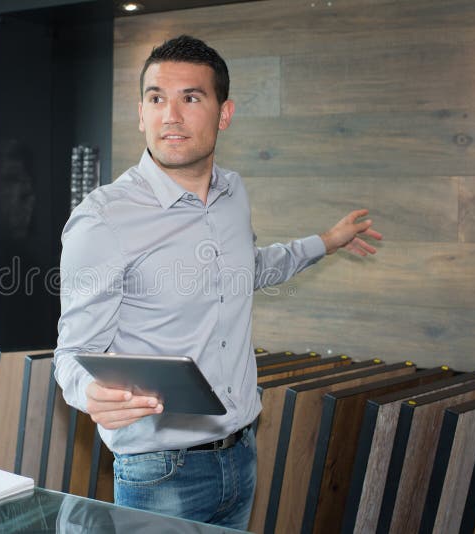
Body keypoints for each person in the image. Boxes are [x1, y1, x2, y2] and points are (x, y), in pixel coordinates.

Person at [53, 35, 382, 530]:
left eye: (191, 98)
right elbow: (71, 353)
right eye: (156, 98)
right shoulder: (103, 219)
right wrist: (87, 392)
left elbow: (248, 269)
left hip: (242, 453)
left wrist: (327, 241)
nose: (171, 115)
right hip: (159, 473)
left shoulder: (233, 193)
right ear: (140, 113)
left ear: (223, 114)